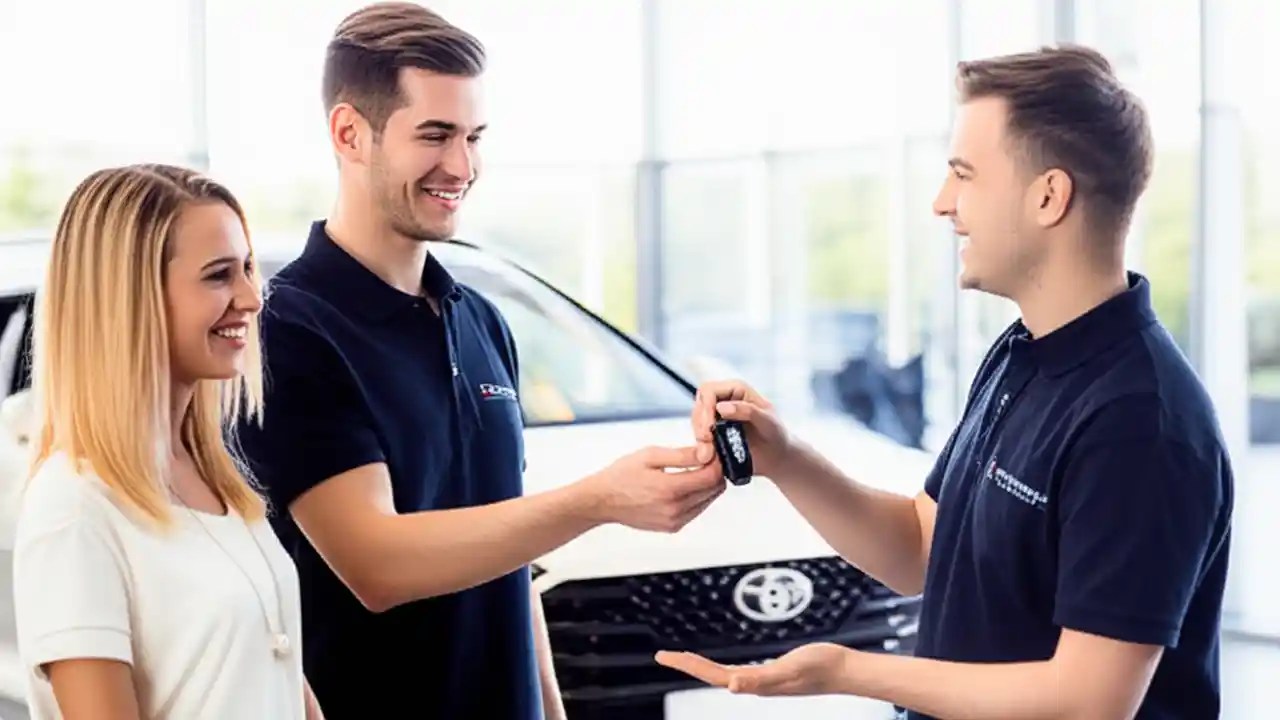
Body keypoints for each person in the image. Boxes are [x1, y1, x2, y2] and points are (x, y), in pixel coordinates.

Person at [657, 45, 1234, 720]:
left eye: (963, 175)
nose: (941, 203)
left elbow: (1088, 702)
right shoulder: (1021, 354)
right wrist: (785, 458)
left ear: (1049, 195)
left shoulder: (1142, 422)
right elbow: (922, 548)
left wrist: (852, 671)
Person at [232, 4, 723, 719]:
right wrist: (597, 500)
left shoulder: (479, 319)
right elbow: (378, 565)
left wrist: (550, 711)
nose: (461, 166)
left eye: (473, 137)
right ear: (349, 133)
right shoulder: (290, 332)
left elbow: (509, 556)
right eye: (434, 136)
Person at [13, 164, 324, 719]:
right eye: (218, 275)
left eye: (248, 269)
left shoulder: (219, 478)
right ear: (129, 297)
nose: (252, 298)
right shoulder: (74, 507)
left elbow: (279, 675)